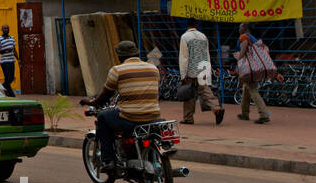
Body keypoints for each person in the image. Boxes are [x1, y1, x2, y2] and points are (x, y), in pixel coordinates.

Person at [79, 40, 163, 173]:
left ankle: (108, 160)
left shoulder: (117, 70)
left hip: (130, 117)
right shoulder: (153, 68)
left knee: (103, 118)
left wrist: (91, 102)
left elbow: (104, 97)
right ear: (137, 53)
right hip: (154, 116)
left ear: (119, 56)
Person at [178, 18, 223, 125]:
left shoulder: (185, 37)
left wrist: (183, 74)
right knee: (205, 90)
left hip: (191, 70)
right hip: (203, 68)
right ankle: (216, 108)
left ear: (187, 25)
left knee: (189, 94)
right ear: (196, 24)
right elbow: (207, 54)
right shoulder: (203, 37)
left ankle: (188, 118)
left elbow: (184, 57)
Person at [236, 22, 281, 124]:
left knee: (252, 89)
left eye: (240, 27)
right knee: (246, 89)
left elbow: (243, 51)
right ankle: (245, 113)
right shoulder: (253, 38)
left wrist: (238, 64)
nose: (238, 29)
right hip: (256, 67)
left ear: (245, 28)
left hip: (249, 68)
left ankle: (264, 114)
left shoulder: (244, 37)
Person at [0, 25, 18, 97]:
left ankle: (1, 88)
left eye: (7, 28)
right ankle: (11, 95)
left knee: (11, 78)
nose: (6, 29)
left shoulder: (12, 38)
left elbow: (14, 49)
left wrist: (18, 59)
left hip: (11, 61)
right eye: (4, 28)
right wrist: (6, 50)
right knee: (7, 78)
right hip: (4, 62)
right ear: (1, 29)